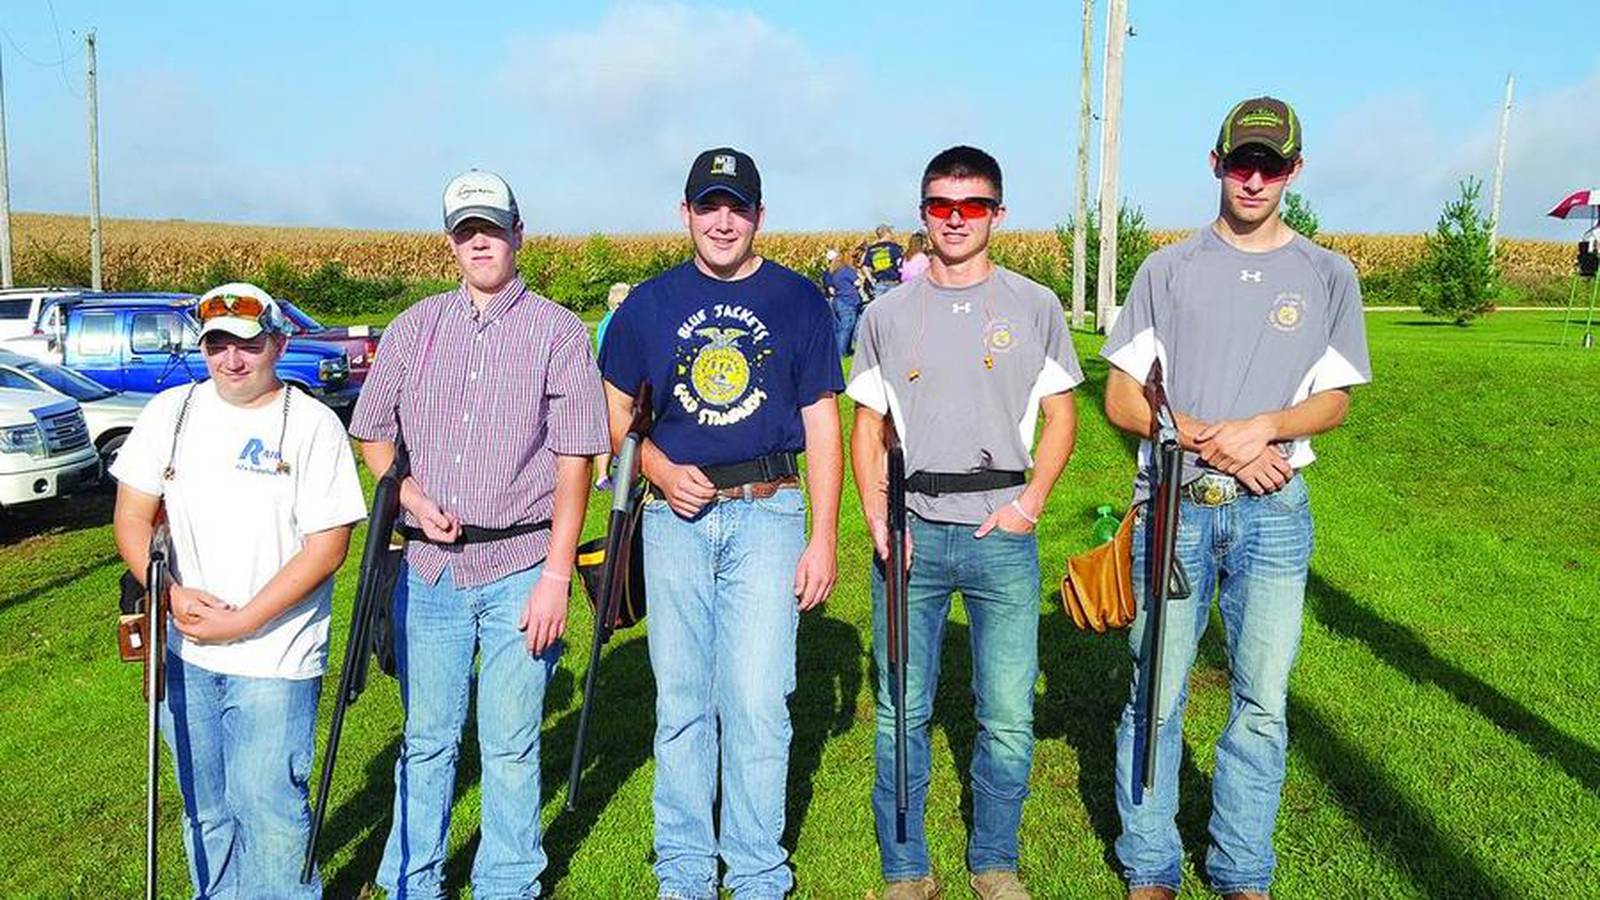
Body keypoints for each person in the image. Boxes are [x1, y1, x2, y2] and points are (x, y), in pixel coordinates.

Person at [1099, 97, 1371, 900]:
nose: (1255, 178)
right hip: (1176, 506)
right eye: (1242, 162)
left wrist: (1265, 428)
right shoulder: (1169, 270)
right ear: (1216, 162)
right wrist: (1217, 440)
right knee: (1156, 688)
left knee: (1261, 700)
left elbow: (1335, 401)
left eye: (1273, 165)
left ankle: (1241, 868)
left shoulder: (1328, 273)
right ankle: (1149, 863)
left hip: (1274, 517)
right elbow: (1120, 400)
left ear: (1295, 171)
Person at [349, 169, 610, 899]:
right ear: (450, 244)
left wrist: (558, 576)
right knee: (427, 743)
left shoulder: (557, 330)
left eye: (492, 229)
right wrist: (410, 493)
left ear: (518, 234)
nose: (481, 243)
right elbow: (370, 432)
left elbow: (576, 460)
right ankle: (412, 880)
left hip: (524, 565)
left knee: (511, 743)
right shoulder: (414, 326)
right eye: (467, 233)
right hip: (429, 573)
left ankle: (507, 882)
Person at [598, 146, 843, 900]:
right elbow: (615, 419)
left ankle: (757, 868)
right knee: (681, 702)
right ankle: (684, 868)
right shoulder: (646, 307)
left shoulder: (799, 301)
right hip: (674, 521)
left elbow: (823, 422)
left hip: (768, 514)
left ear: (760, 216)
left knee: (759, 701)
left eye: (738, 207)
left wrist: (824, 536)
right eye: (709, 206)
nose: (724, 220)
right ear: (686, 214)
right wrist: (663, 472)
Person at [847, 145, 1083, 900]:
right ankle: (906, 865)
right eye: (942, 206)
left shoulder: (1033, 305)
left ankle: (995, 859)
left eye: (972, 206)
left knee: (1008, 712)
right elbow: (866, 429)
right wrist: (879, 520)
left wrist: (1031, 504)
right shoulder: (884, 314)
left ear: (997, 215)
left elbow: (1061, 416)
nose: (956, 219)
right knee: (900, 710)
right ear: (923, 214)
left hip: (1000, 535)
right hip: (912, 531)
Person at [111, 282, 366, 899]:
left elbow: (328, 547)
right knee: (206, 810)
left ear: (277, 343)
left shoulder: (311, 425)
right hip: (184, 654)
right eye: (217, 344)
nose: (231, 360)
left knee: (270, 810)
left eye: (247, 345)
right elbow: (132, 516)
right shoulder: (170, 412)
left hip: (275, 658)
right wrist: (167, 594)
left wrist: (244, 619)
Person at [594, 282, 632, 489]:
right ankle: (614, 471)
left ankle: (603, 474)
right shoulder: (617, 323)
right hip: (616, 378)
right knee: (618, 424)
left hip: (604, 375)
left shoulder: (604, 322)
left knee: (606, 425)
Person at [824, 246, 867, 356]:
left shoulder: (830, 272)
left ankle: (844, 350)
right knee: (847, 328)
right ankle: (841, 352)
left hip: (838, 301)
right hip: (849, 301)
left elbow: (831, 290)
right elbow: (857, 282)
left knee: (842, 328)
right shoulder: (846, 270)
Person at [864, 223, 905, 298]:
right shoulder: (894, 247)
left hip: (879, 284)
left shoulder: (871, 249)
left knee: (880, 308)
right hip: (893, 283)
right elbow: (900, 264)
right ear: (887, 233)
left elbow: (865, 267)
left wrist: (871, 280)